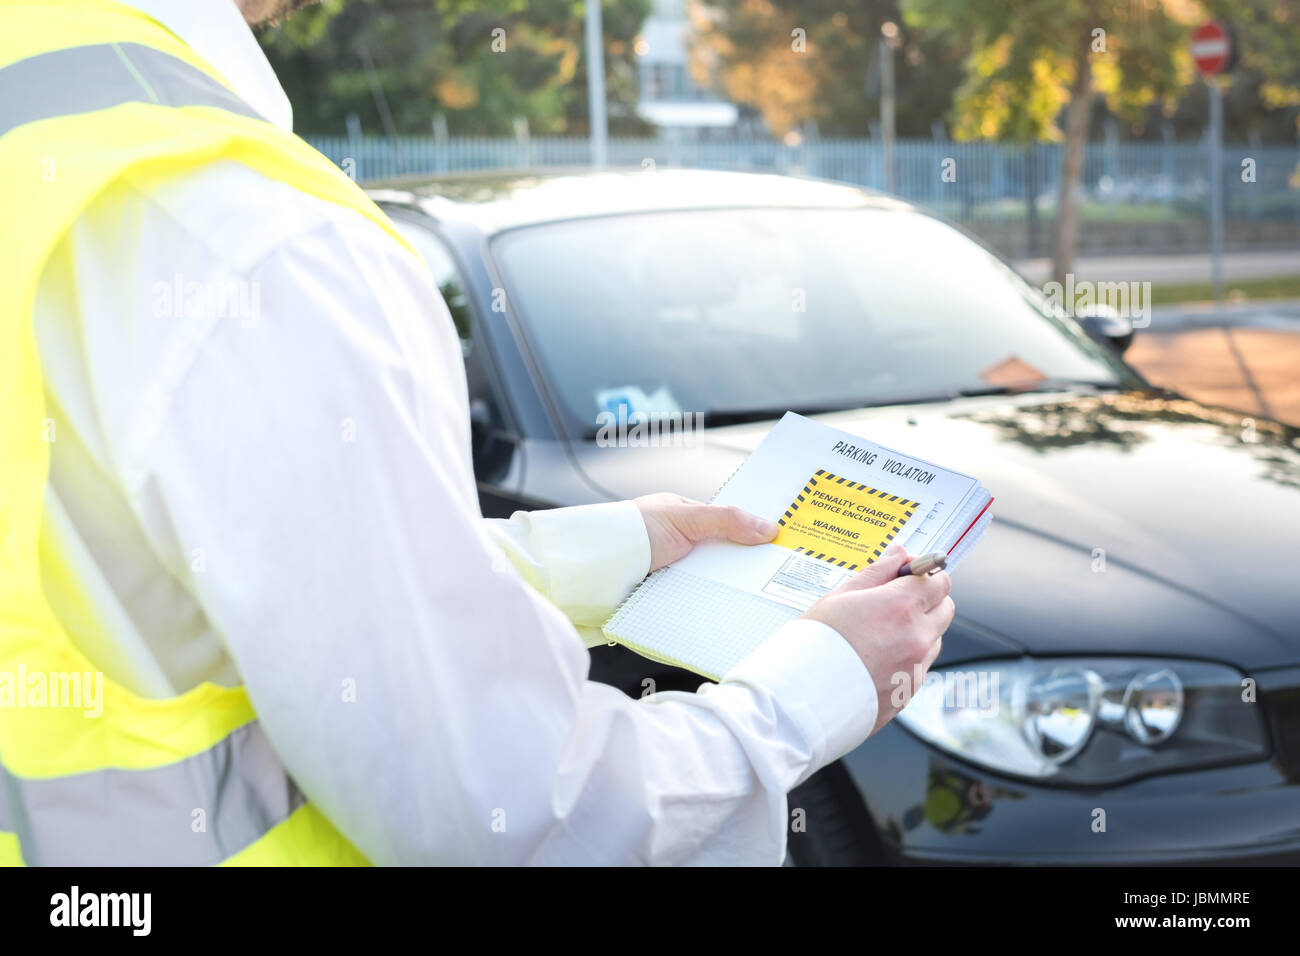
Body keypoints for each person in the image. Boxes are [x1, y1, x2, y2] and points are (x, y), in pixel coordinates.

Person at [0, 0, 953, 866]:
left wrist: (615, 549)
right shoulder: (251, 245)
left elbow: (214, 587)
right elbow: (520, 815)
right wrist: (815, 693)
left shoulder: (44, 136)